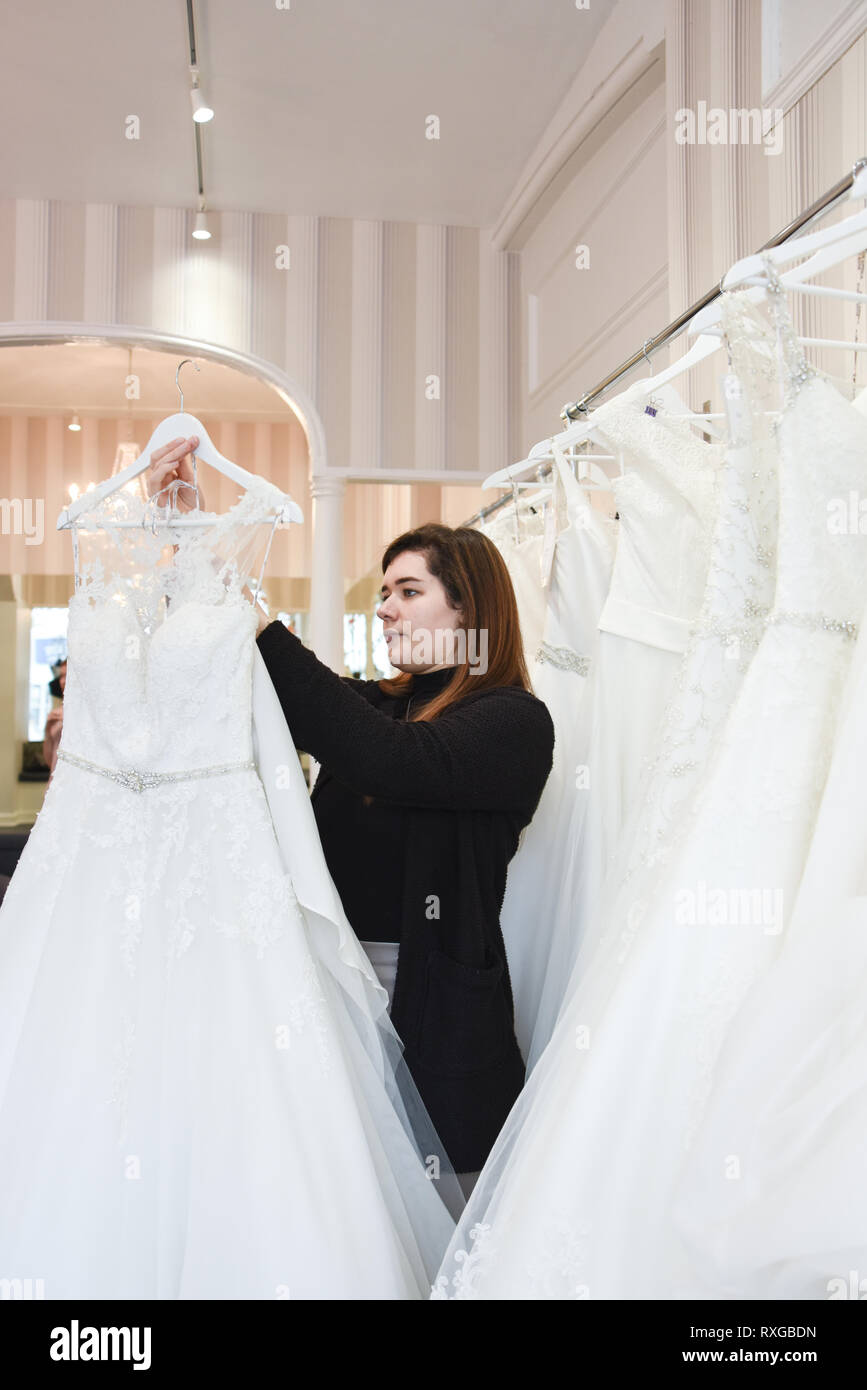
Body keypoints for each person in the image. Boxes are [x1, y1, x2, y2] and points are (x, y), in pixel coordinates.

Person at [147, 438, 556, 1193]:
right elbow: (279, 695)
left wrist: (264, 624)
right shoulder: (380, 700)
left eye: (407, 591)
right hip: (328, 983)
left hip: (431, 1006)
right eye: (382, 592)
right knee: (341, 1197)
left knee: (435, 1207)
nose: (385, 608)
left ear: (467, 606)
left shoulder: (513, 722)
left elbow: (389, 759)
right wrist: (196, 542)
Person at [42, 658, 67, 782]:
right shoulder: (57, 712)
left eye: (67, 676)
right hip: (55, 781)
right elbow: (49, 760)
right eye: (61, 676)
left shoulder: (89, 715)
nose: (62, 682)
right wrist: (47, 730)